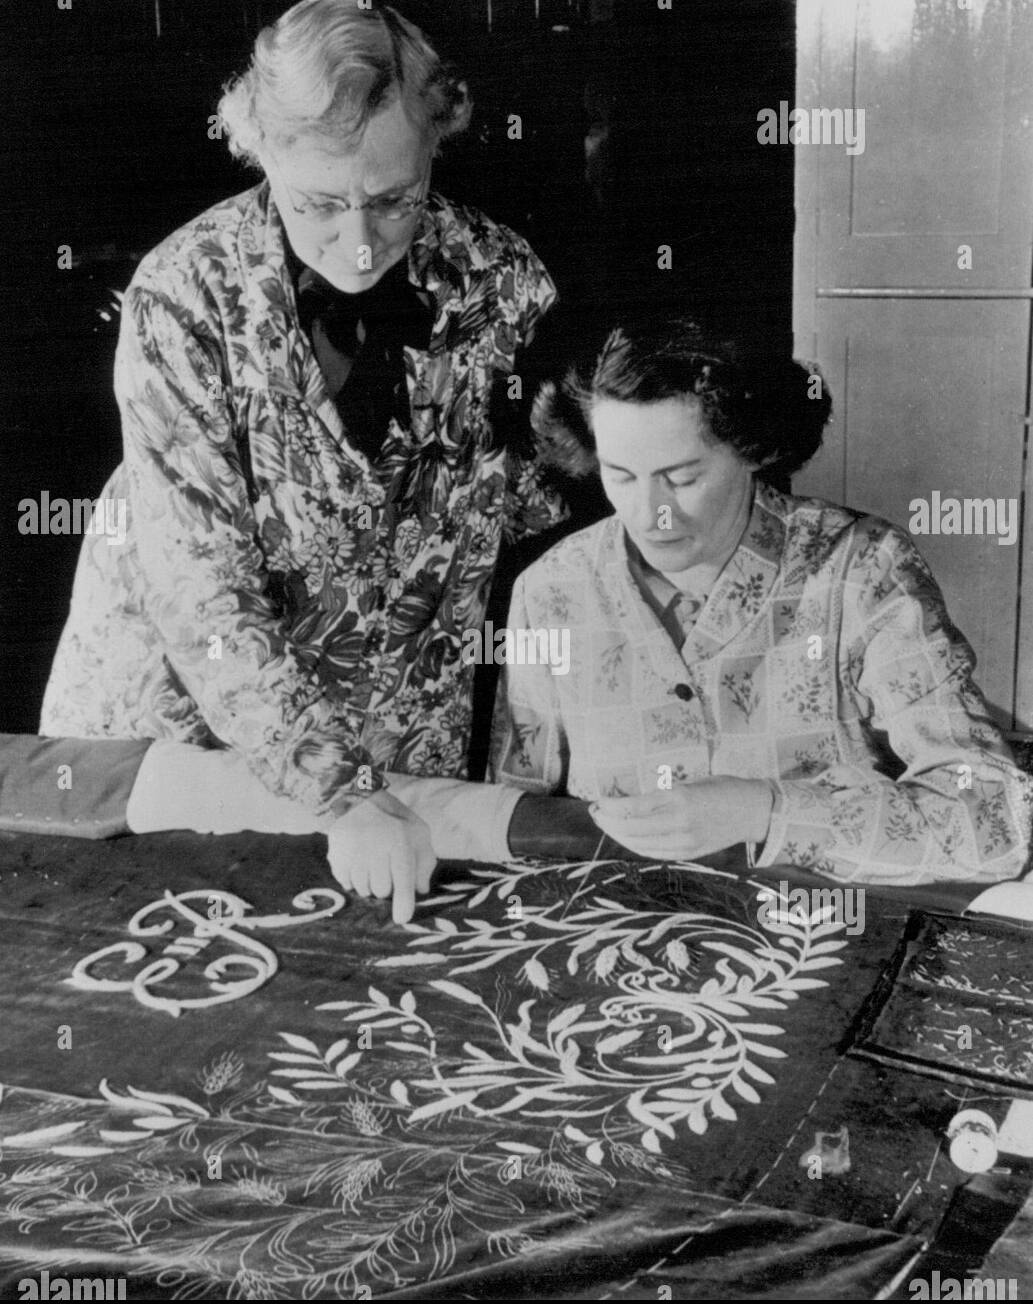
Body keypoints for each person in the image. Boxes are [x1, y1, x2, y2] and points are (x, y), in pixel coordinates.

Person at [39, 1, 566, 923]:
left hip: (398, 708)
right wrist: (342, 794)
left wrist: (578, 463)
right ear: (261, 153)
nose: (359, 241)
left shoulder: (502, 277)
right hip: (188, 707)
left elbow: (502, 503)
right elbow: (198, 590)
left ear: (437, 141)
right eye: (319, 203)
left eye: (393, 198)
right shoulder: (182, 293)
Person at [488, 320, 1033, 886]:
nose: (651, 515)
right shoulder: (550, 591)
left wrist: (763, 810)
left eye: (681, 477)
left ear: (753, 449)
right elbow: (514, 820)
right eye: (620, 475)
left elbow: (996, 819)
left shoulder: (861, 569)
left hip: (821, 940)